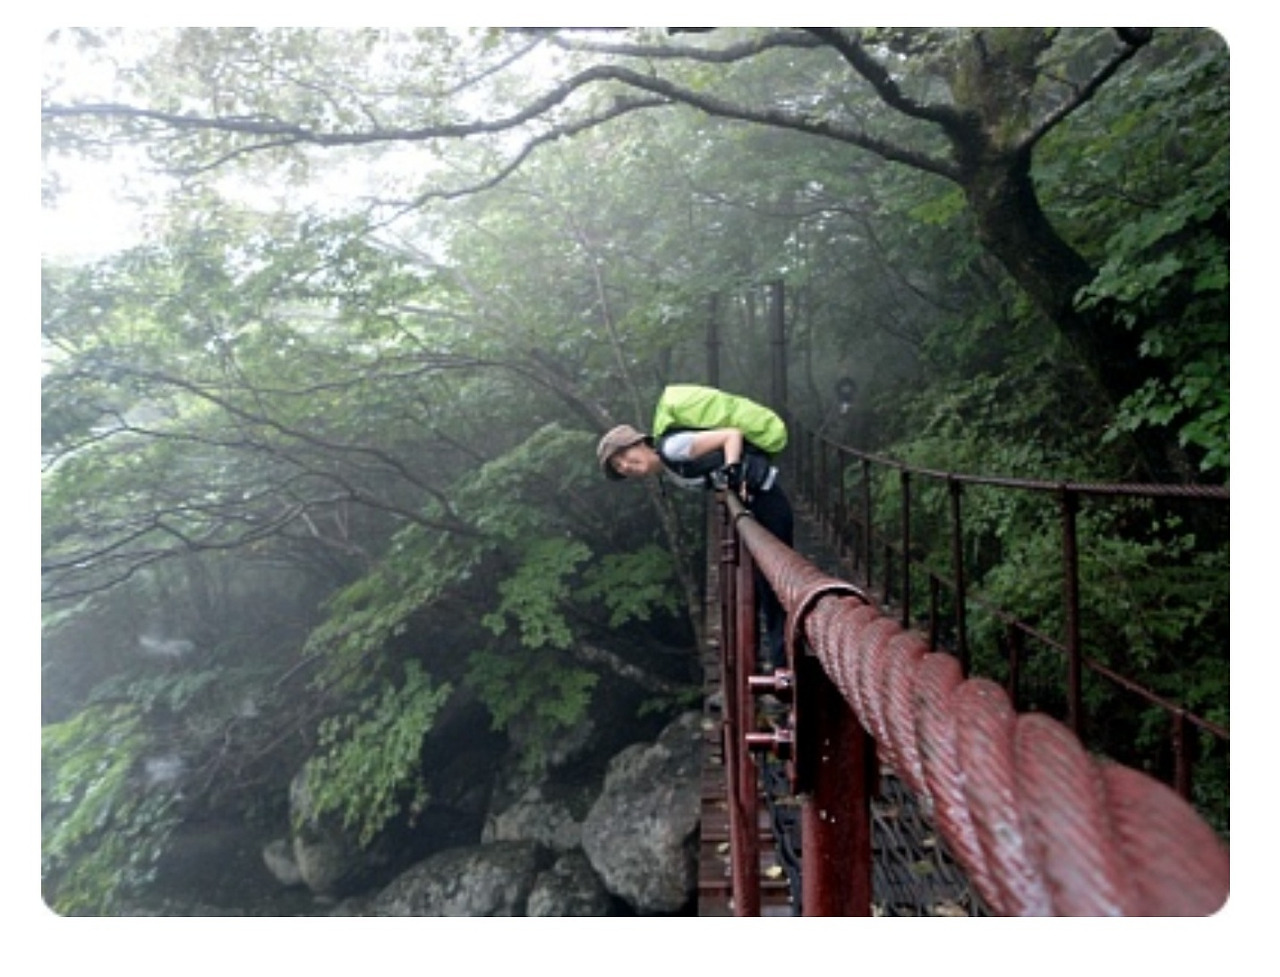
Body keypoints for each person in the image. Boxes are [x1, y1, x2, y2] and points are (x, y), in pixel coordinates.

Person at [596, 418, 795, 672]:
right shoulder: (669, 467)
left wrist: (732, 474)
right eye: (618, 466)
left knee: (775, 584)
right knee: (766, 584)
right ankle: (781, 661)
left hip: (767, 502)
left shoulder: (673, 448)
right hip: (756, 507)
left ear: (640, 442)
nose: (625, 465)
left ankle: (788, 666)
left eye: (624, 455)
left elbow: (731, 435)